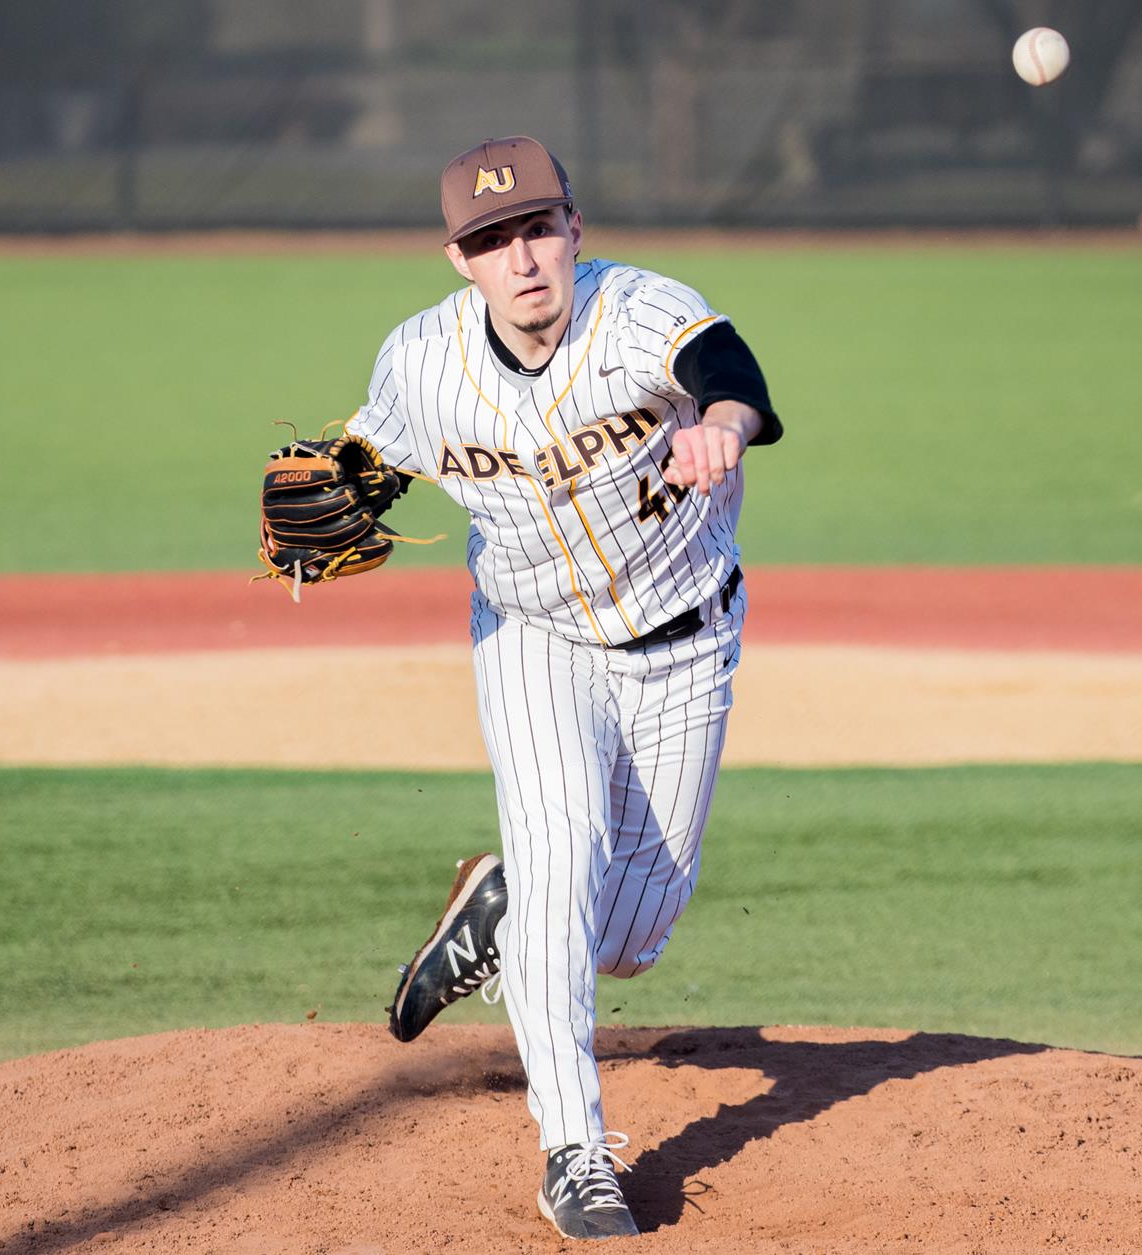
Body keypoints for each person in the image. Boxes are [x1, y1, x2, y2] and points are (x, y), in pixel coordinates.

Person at [359, 135, 781, 1241]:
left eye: (537, 228)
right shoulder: (421, 361)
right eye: (492, 241)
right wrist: (323, 499)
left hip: (686, 635)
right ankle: (574, 1155)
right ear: (459, 259)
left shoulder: (636, 312)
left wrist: (723, 427)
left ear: (574, 228)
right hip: (531, 636)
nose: (523, 258)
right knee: (562, 864)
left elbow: (727, 371)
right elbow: (366, 459)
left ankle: (495, 907)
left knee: (630, 934)